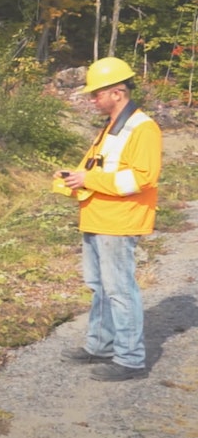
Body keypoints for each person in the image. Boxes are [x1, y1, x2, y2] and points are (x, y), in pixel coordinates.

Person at [57, 57, 162, 382]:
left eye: (96, 93)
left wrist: (88, 180)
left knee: (119, 290)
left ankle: (130, 360)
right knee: (100, 287)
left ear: (118, 92)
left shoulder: (143, 128)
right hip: (97, 217)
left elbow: (142, 178)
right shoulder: (111, 127)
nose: (92, 99)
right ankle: (100, 346)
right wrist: (73, 178)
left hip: (119, 221)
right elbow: (99, 168)